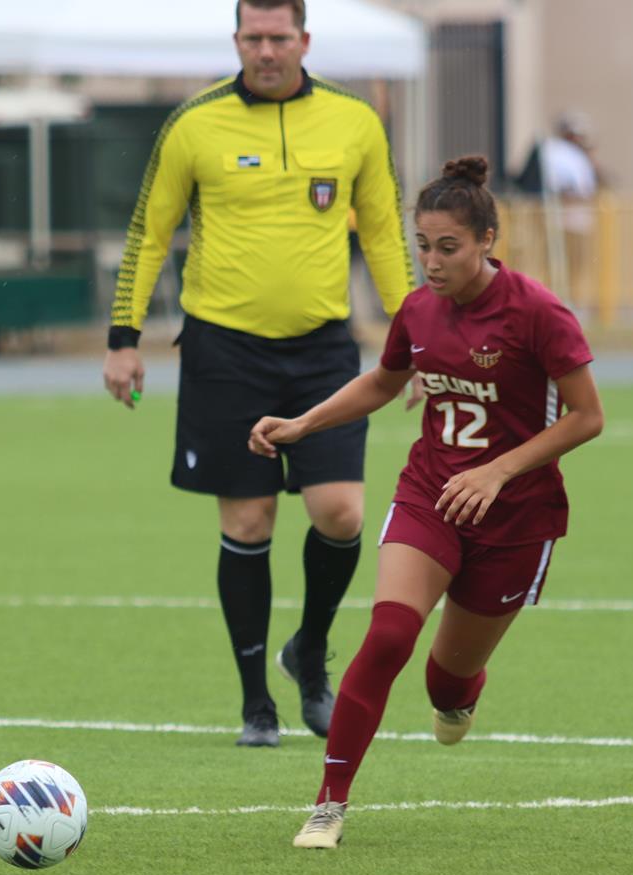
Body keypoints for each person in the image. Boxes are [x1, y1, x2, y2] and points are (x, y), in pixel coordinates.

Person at [250, 157, 605, 850]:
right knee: (387, 636)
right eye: (423, 245)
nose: (432, 262)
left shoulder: (538, 312)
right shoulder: (417, 310)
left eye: (449, 247)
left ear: (487, 241)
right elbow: (384, 382)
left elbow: (587, 416)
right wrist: (301, 424)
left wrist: (498, 471)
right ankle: (329, 803)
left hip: (516, 517)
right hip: (430, 495)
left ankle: (459, 694)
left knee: (446, 679)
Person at [103, 0, 413, 746]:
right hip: (225, 351)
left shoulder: (354, 121)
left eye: (280, 38)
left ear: (305, 40)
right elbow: (152, 229)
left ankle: (308, 650)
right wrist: (124, 337)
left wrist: (419, 341)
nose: (267, 50)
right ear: (236, 40)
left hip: (322, 350)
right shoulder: (194, 122)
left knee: (340, 514)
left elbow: (384, 232)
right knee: (249, 521)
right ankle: (256, 706)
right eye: (254, 37)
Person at [538, 112, 600, 311]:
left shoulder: (576, 156)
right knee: (558, 265)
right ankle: (555, 302)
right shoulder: (557, 153)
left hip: (578, 219)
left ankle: (570, 301)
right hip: (563, 219)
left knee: (574, 265)